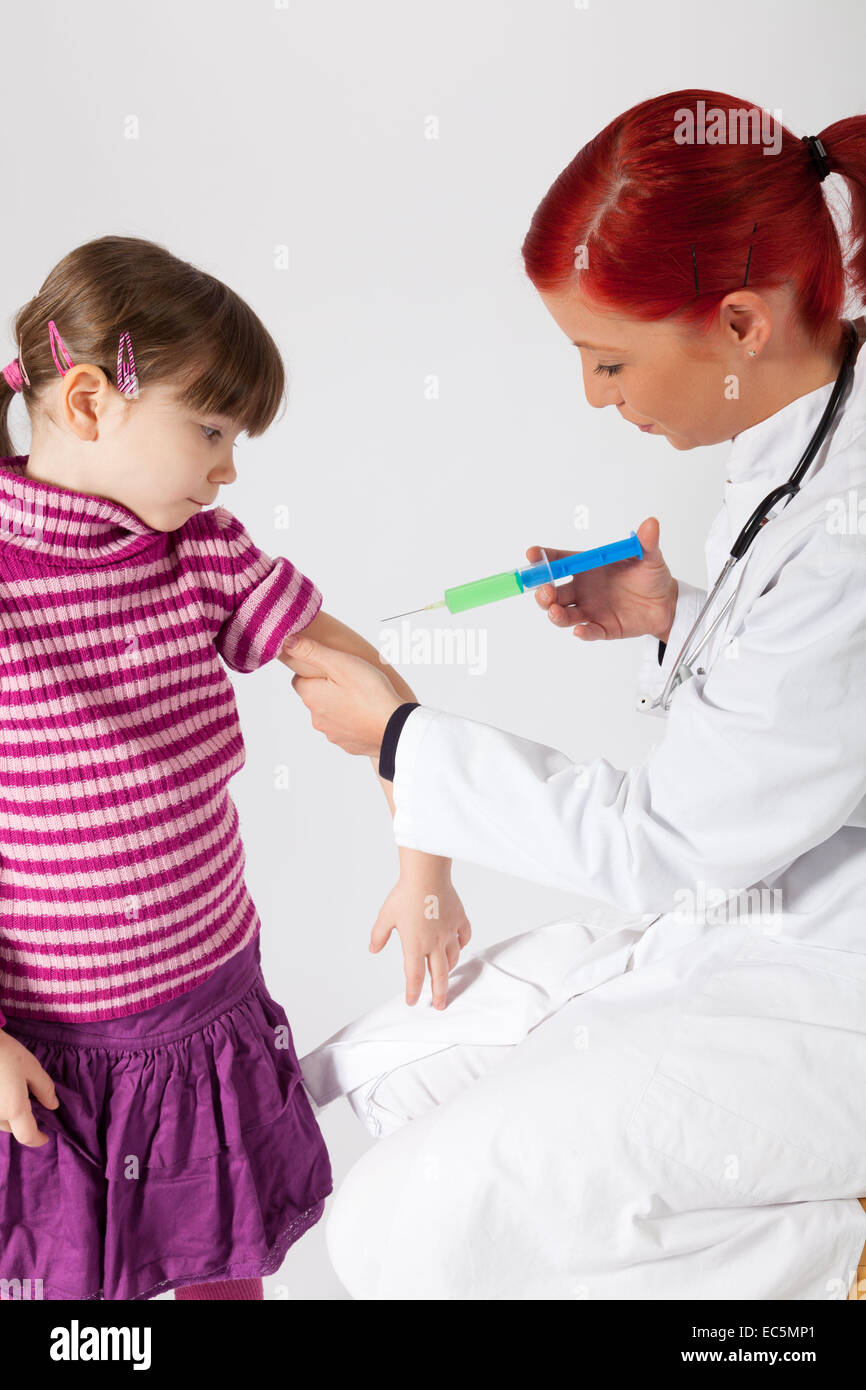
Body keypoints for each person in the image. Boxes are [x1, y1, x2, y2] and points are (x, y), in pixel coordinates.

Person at [282, 90, 866, 1299]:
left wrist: (404, 738)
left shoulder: (846, 519)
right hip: (770, 925)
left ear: (741, 322)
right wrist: (675, 617)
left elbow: (675, 843)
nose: (598, 399)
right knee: (381, 1076)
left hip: (824, 984)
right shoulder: (807, 453)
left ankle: (835, 1263)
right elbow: (820, 701)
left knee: (406, 1230)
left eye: (606, 360)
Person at [0, 234, 471, 1300]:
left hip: (204, 1016)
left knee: (225, 1269)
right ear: (88, 404)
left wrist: (423, 866)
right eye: (209, 429)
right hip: (50, 1051)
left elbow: (368, 681)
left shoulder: (199, 552)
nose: (228, 466)